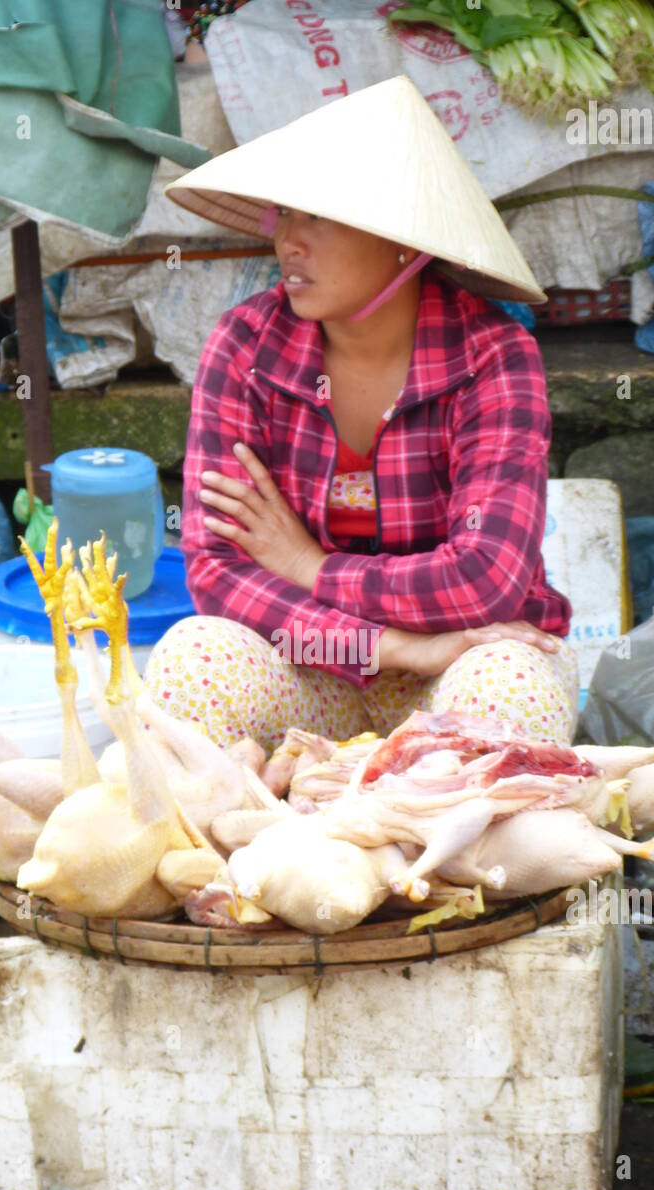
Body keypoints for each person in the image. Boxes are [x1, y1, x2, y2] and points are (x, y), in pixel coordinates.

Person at [145, 76, 576, 750]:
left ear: (402, 241)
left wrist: (310, 567)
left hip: (463, 664)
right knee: (189, 657)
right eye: (284, 214)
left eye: (317, 217)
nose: (288, 241)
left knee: (510, 686)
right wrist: (393, 646)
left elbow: (487, 579)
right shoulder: (245, 346)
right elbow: (217, 572)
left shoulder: (492, 356)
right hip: (313, 671)